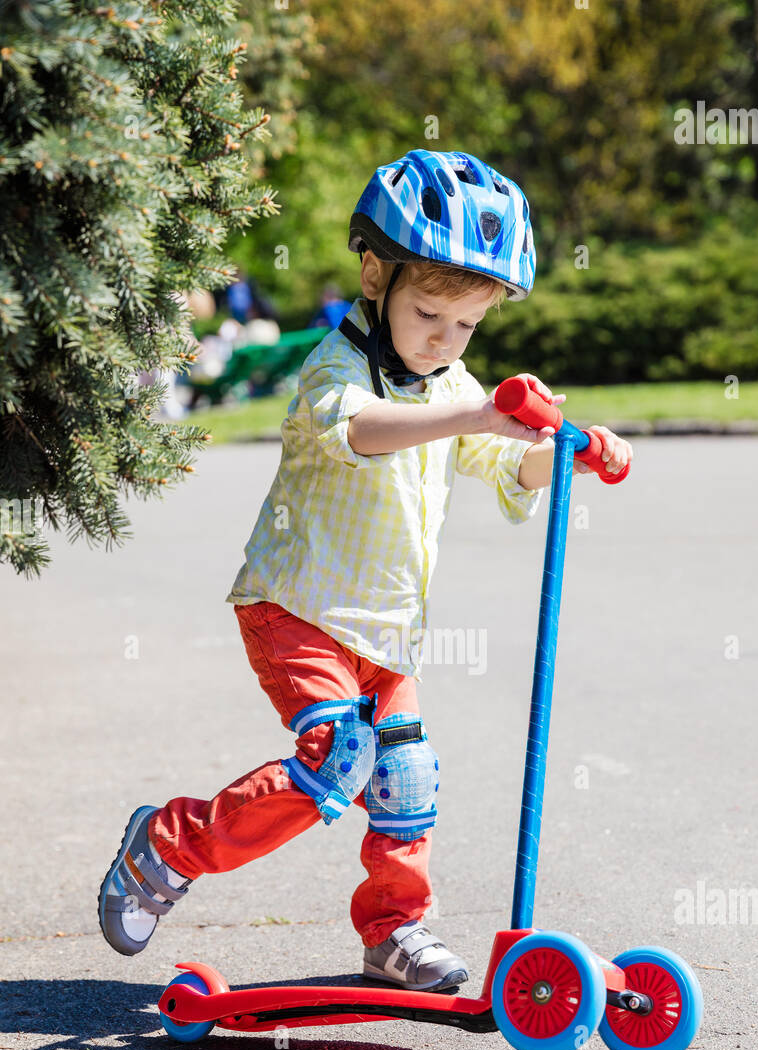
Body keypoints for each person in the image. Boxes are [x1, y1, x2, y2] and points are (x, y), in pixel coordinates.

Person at [98, 149, 632, 992]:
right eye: (429, 313)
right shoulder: (334, 370)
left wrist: (561, 456)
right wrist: (480, 409)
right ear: (376, 274)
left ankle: (394, 936)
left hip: (387, 637)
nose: (445, 342)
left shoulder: (450, 380)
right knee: (336, 756)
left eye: (467, 328)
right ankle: (169, 843)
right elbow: (365, 431)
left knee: (406, 778)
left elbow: (500, 466)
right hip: (297, 609)